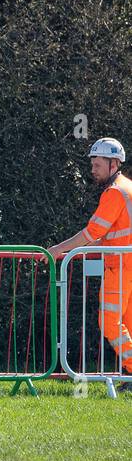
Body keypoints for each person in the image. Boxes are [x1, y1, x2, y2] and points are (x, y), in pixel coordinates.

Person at [47, 138, 132, 374]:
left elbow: (91, 232)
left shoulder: (115, 193)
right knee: (129, 325)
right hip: (126, 265)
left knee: (109, 323)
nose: (92, 170)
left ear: (113, 164)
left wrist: (57, 250)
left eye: (97, 165)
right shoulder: (128, 188)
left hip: (121, 267)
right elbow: (109, 236)